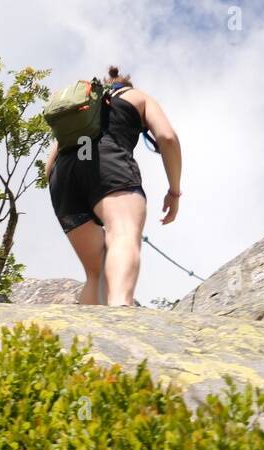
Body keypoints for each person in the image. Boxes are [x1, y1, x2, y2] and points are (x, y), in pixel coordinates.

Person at [44, 66, 182, 306]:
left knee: (94, 272)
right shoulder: (138, 96)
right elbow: (167, 137)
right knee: (123, 232)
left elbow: (49, 167)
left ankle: (87, 338)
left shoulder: (85, 106)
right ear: (126, 84)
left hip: (62, 179)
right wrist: (174, 192)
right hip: (109, 164)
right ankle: (120, 310)